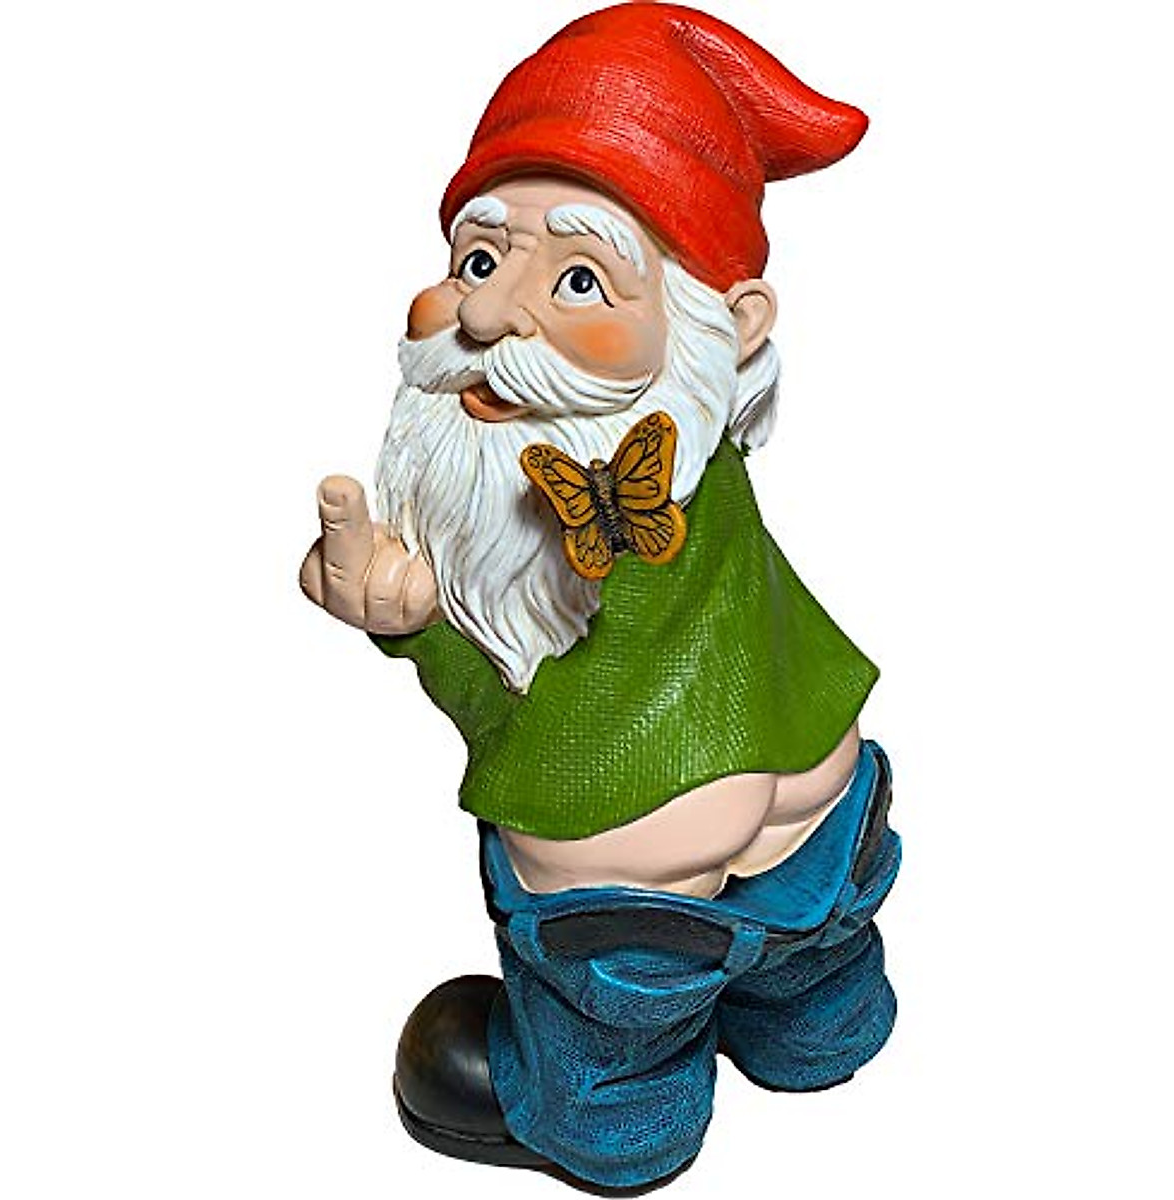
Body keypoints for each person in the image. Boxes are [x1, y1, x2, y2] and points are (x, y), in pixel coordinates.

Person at [300, 4, 900, 1191]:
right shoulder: (689, 458)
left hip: (630, 897)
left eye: (579, 276)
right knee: (814, 970)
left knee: (607, 1046)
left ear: (730, 328)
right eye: (479, 260)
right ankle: (812, 1031)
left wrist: (416, 628)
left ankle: (616, 1122)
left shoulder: (592, 493)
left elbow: (528, 705)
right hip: (824, 819)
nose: (483, 317)